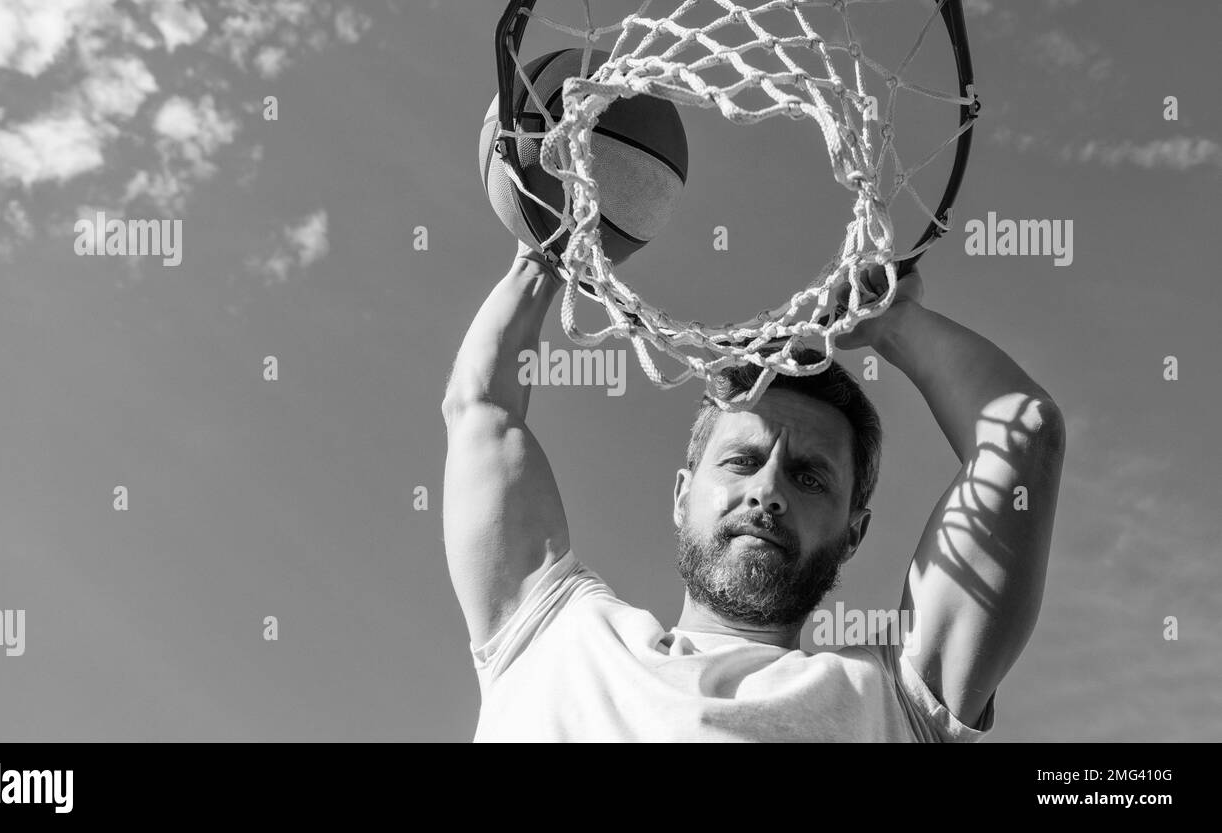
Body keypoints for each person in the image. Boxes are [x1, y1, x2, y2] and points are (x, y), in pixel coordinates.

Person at [441, 241, 1066, 742]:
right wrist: (546, 248)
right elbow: (480, 408)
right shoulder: (549, 631)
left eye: (809, 477)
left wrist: (894, 325)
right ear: (682, 495)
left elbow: (1024, 436)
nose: (767, 490)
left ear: (854, 532)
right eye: (742, 461)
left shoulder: (896, 700)